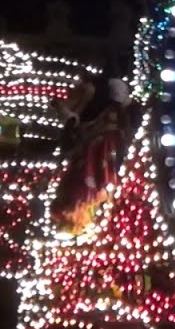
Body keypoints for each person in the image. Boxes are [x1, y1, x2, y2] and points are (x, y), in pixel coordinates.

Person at [50, 67, 134, 236]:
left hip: (98, 154)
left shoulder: (110, 116)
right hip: (92, 158)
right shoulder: (101, 116)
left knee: (93, 177)